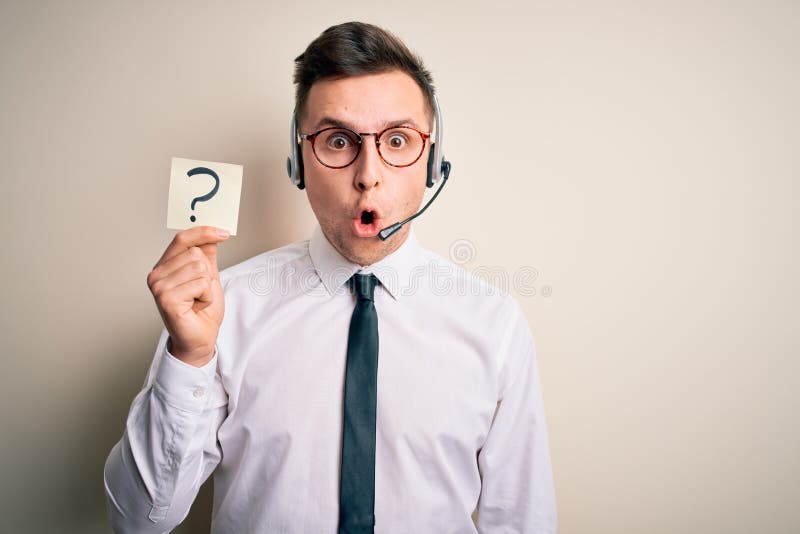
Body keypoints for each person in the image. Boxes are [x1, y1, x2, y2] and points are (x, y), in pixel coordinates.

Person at [103, 21, 557, 534]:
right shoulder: (220, 309)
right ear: (299, 161)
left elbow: (523, 522)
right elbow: (138, 522)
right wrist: (188, 359)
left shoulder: (494, 325)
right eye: (339, 141)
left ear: (431, 161)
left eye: (398, 140)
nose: (368, 173)